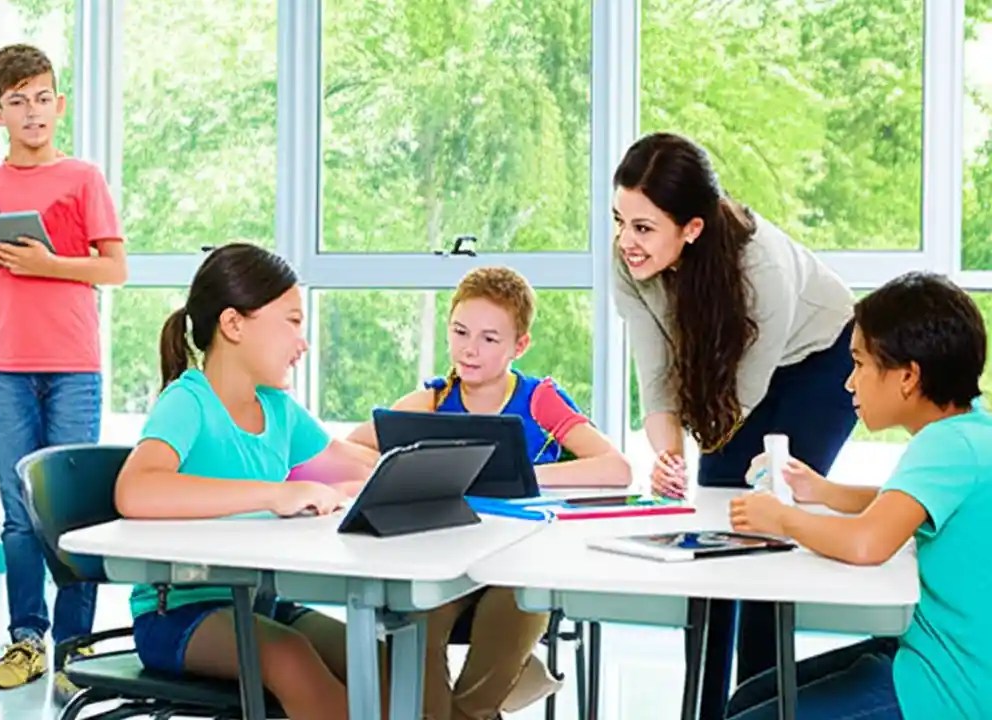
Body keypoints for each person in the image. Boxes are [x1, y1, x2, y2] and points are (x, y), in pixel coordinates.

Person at [611, 132, 858, 718]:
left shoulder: (760, 268)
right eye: (620, 219)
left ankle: (756, 705)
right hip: (735, 377)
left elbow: (736, 401)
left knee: (763, 524)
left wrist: (702, 455)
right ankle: (702, 707)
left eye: (644, 227)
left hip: (819, 366)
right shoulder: (629, 258)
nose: (626, 240)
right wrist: (667, 456)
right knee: (711, 527)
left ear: (691, 228)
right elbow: (656, 371)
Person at [347, 265, 630, 720]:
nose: (469, 349)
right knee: (417, 621)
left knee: (517, 606)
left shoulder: (540, 400)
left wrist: (525, 472)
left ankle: (475, 710)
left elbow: (615, 469)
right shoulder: (433, 403)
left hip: (523, 562)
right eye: (460, 332)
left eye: (489, 339)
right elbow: (350, 447)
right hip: (448, 558)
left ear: (520, 346)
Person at [113, 243, 383, 720]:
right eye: (293, 322)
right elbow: (136, 490)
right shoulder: (189, 400)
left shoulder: (279, 410)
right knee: (291, 658)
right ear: (234, 324)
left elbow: (352, 466)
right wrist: (275, 493)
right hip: (178, 613)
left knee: (379, 656)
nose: (303, 342)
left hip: (261, 602)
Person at [0, 44, 127, 700]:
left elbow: (114, 268)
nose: (32, 112)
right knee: (19, 515)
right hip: (8, 369)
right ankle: (26, 639)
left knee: (73, 512)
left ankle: (74, 651)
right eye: (18, 101)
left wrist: (47, 261)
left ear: (60, 103)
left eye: (42, 97)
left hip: (74, 368)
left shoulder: (83, 178)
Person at [728, 271, 992, 720]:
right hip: (926, 655)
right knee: (747, 700)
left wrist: (780, 518)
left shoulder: (944, 445)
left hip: (942, 688)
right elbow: (899, 505)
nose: (850, 383)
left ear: (908, 376)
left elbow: (867, 544)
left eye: (859, 364)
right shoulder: (971, 431)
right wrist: (822, 491)